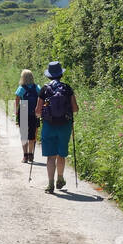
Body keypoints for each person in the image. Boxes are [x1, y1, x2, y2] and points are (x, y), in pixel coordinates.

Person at [35, 61, 78, 193]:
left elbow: (37, 110)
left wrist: (40, 116)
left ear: (49, 75)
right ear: (61, 74)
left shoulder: (44, 89)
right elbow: (75, 109)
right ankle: (60, 178)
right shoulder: (67, 88)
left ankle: (50, 184)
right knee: (61, 155)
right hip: (64, 126)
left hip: (49, 125)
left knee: (50, 157)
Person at [14, 70, 40, 163]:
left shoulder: (21, 88)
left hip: (24, 110)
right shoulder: (37, 87)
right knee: (32, 135)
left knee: (24, 135)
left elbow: (17, 100)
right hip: (34, 112)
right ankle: (30, 155)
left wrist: (16, 111)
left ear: (23, 77)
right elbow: (41, 99)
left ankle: (25, 156)